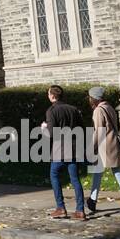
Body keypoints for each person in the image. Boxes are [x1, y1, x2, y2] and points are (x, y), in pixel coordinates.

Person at [86, 87, 120, 214]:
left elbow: (99, 131)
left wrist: (91, 148)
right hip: (112, 143)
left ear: (93, 98)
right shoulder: (109, 107)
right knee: (114, 172)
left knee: (107, 173)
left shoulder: (98, 110)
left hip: (104, 145)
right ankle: (93, 200)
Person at [42, 85, 87, 220]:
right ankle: (80, 210)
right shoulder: (73, 109)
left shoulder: (51, 111)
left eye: (48, 93)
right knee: (75, 179)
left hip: (59, 150)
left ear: (52, 96)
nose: (48, 95)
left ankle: (61, 208)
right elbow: (82, 129)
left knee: (54, 175)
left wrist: (44, 128)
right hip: (73, 148)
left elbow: (50, 133)